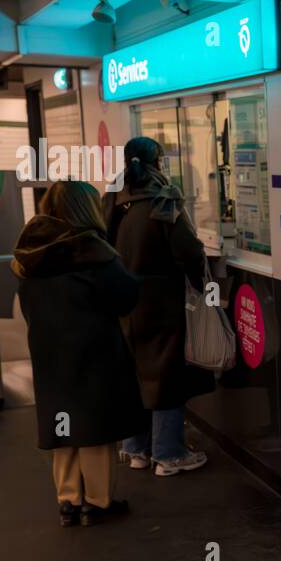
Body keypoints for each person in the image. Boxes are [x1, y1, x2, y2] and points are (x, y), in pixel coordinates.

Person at [13, 180, 146, 526]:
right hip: (93, 351)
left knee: (62, 426)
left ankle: (69, 501)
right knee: (96, 427)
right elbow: (125, 297)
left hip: (49, 353)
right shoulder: (91, 250)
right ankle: (98, 503)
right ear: (86, 209)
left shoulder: (30, 253)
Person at [104, 137, 213, 476]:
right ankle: (168, 454)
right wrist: (204, 288)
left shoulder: (111, 198)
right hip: (160, 301)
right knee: (165, 374)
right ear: (159, 162)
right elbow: (189, 252)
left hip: (122, 298)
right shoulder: (163, 199)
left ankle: (136, 449)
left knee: (134, 371)